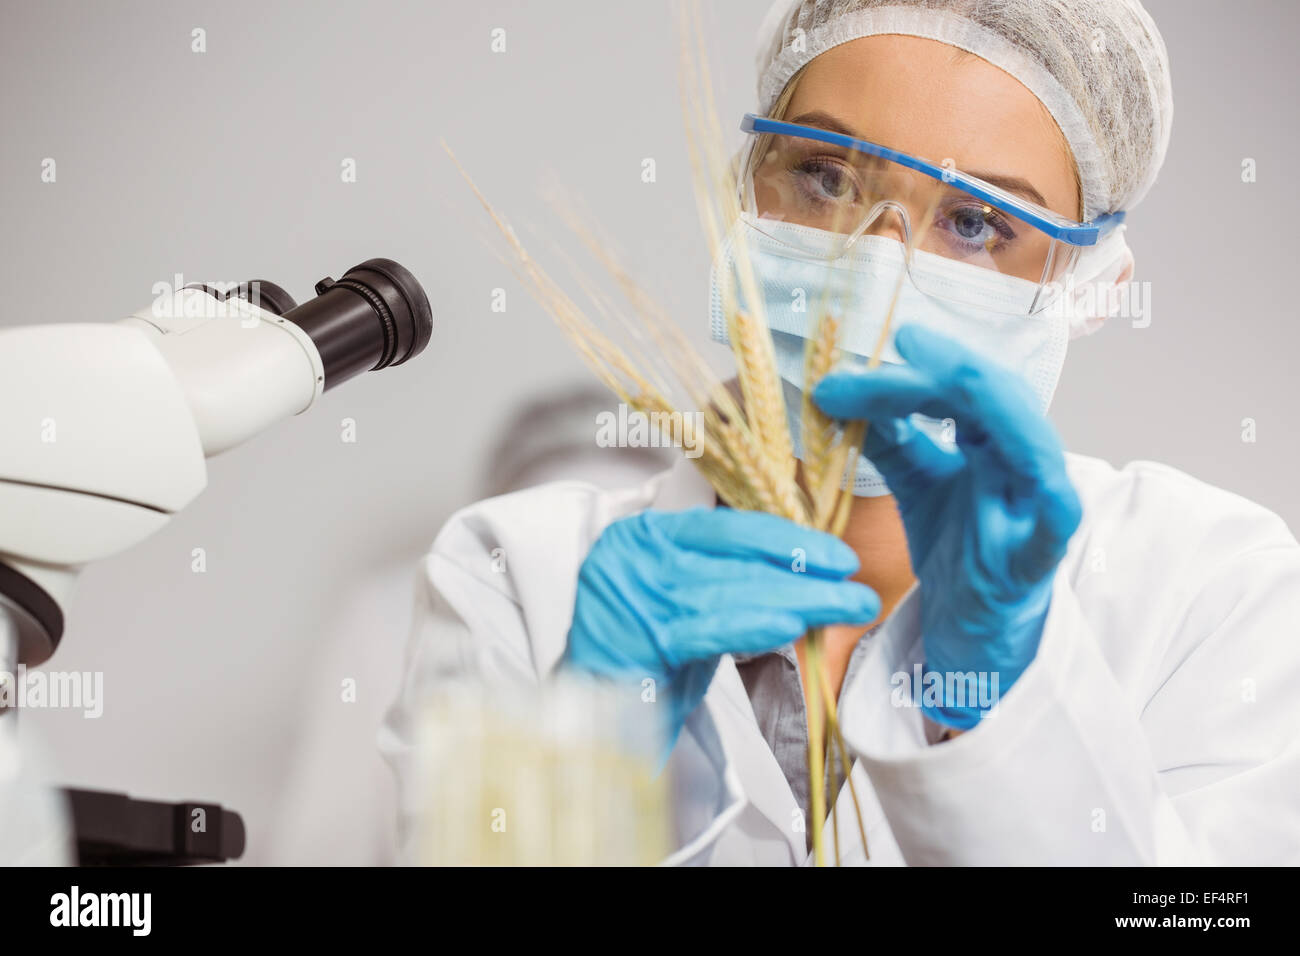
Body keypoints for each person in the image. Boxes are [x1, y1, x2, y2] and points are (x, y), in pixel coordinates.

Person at [380, 0, 1300, 865]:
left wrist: (995, 711)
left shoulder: (1210, 591)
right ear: (747, 188)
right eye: (825, 176)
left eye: (976, 222)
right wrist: (585, 758)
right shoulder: (516, 573)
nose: (878, 262)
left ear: (1088, 283)